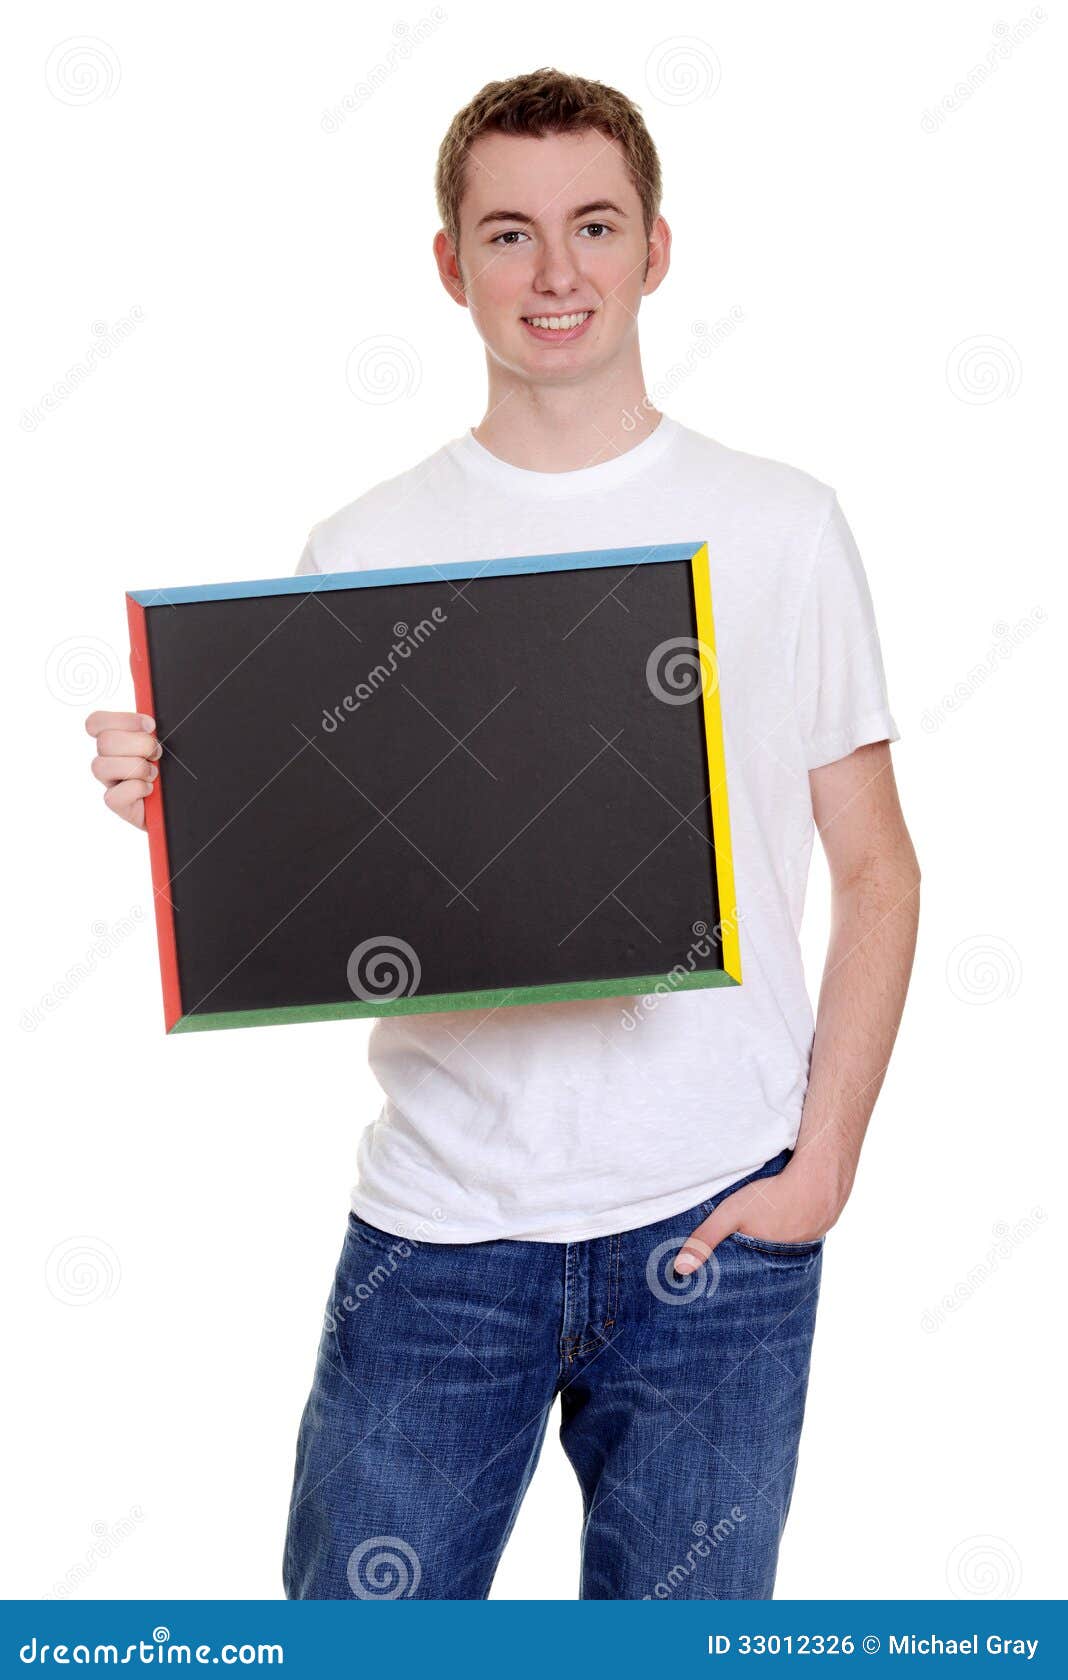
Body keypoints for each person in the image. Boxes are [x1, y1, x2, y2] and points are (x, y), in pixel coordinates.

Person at [84, 68, 920, 1600]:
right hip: (439, 1228)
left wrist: (827, 1163)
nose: (556, 274)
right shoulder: (364, 548)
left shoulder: (783, 522)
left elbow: (876, 866)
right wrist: (180, 791)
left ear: (655, 250)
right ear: (449, 263)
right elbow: (323, 864)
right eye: (511, 233)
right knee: (356, 1644)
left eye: (593, 227)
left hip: (715, 1226)